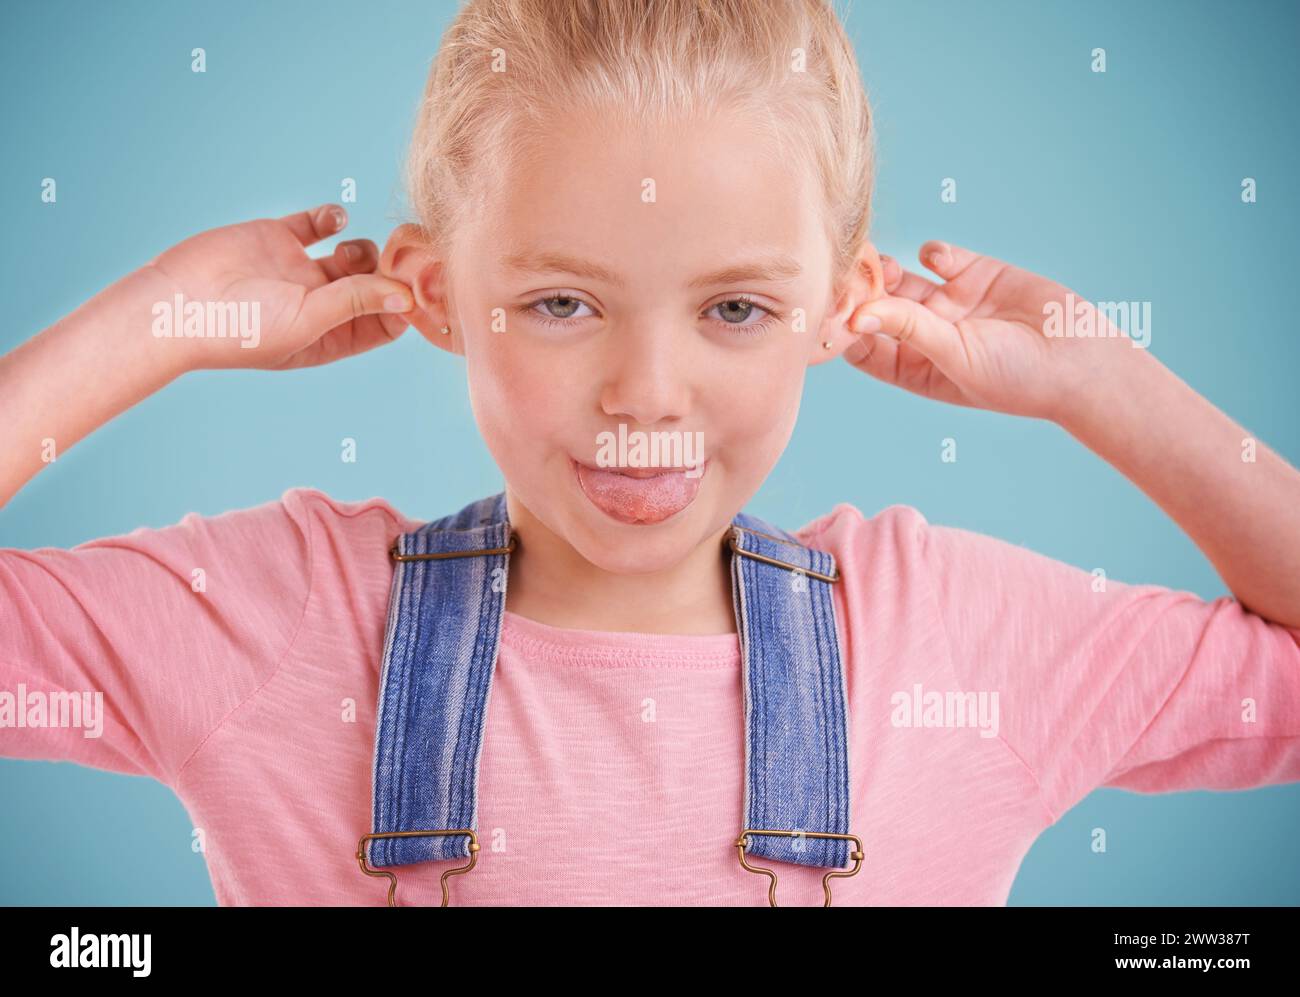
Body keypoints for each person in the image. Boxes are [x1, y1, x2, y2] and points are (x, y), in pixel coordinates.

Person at [2, 0, 1298, 906]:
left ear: (841, 308)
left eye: (734, 307)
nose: (645, 392)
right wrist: (160, 318)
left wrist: (1097, 376)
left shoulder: (945, 639)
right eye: (564, 302)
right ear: (435, 290)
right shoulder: (284, 625)